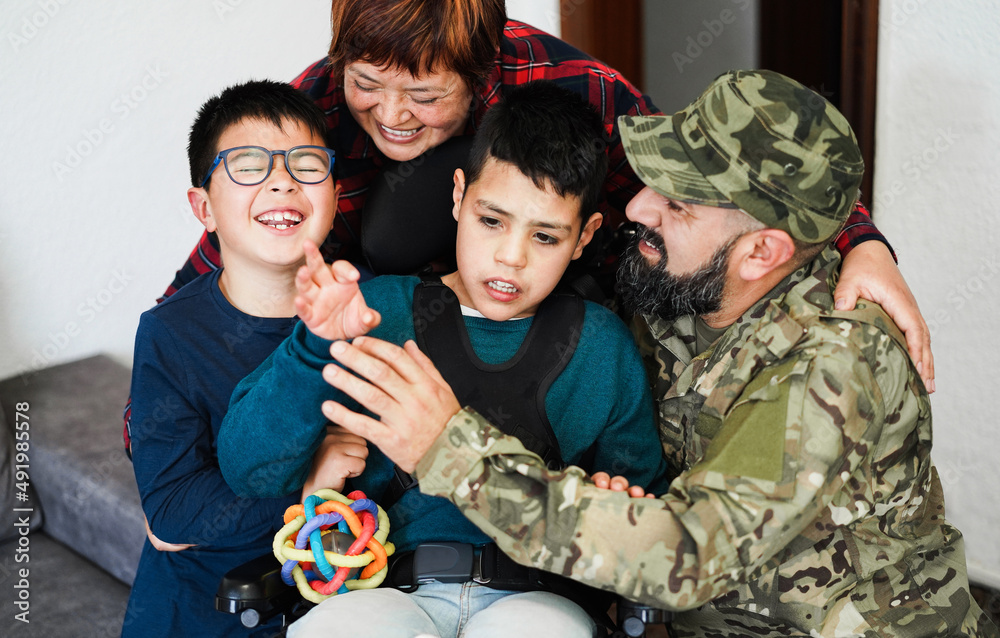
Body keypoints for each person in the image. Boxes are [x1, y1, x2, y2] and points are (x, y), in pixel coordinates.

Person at [309, 70, 998, 637]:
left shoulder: (835, 364)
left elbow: (688, 552)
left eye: (678, 202)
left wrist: (447, 446)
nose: (639, 206)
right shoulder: (673, 281)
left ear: (762, 253)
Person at [157, 0, 933, 391]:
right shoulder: (317, 108)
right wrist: (158, 405)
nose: (391, 116)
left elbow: (722, 176)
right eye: (368, 86)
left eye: (424, 97)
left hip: (545, 339)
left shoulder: (566, 83)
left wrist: (859, 238)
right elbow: (223, 263)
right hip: (383, 337)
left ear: (482, 72)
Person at [216, 81, 668, 638]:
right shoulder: (376, 310)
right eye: (491, 220)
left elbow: (644, 507)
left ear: (584, 237)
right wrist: (314, 347)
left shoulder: (603, 346)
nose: (511, 256)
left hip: (539, 597)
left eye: (546, 237)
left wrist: (616, 502)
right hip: (389, 588)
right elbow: (247, 469)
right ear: (458, 197)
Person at [123, 80, 342, 637]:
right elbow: (172, 509)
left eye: (306, 164)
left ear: (336, 196)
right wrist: (312, 488)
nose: (282, 182)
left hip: (338, 597)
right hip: (198, 605)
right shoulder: (170, 332)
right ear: (205, 209)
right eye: (248, 165)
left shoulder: (363, 311)